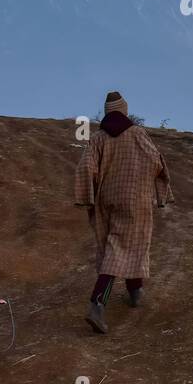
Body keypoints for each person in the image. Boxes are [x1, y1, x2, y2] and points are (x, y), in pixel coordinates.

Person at [74, 91, 173, 334]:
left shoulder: (98, 138)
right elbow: (156, 160)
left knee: (117, 245)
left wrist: (86, 198)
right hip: (134, 201)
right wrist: (161, 190)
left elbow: (86, 167)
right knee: (123, 249)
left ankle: (135, 290)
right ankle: (97, 304)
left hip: (107, 200)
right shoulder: (138, 133)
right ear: (125, 110)